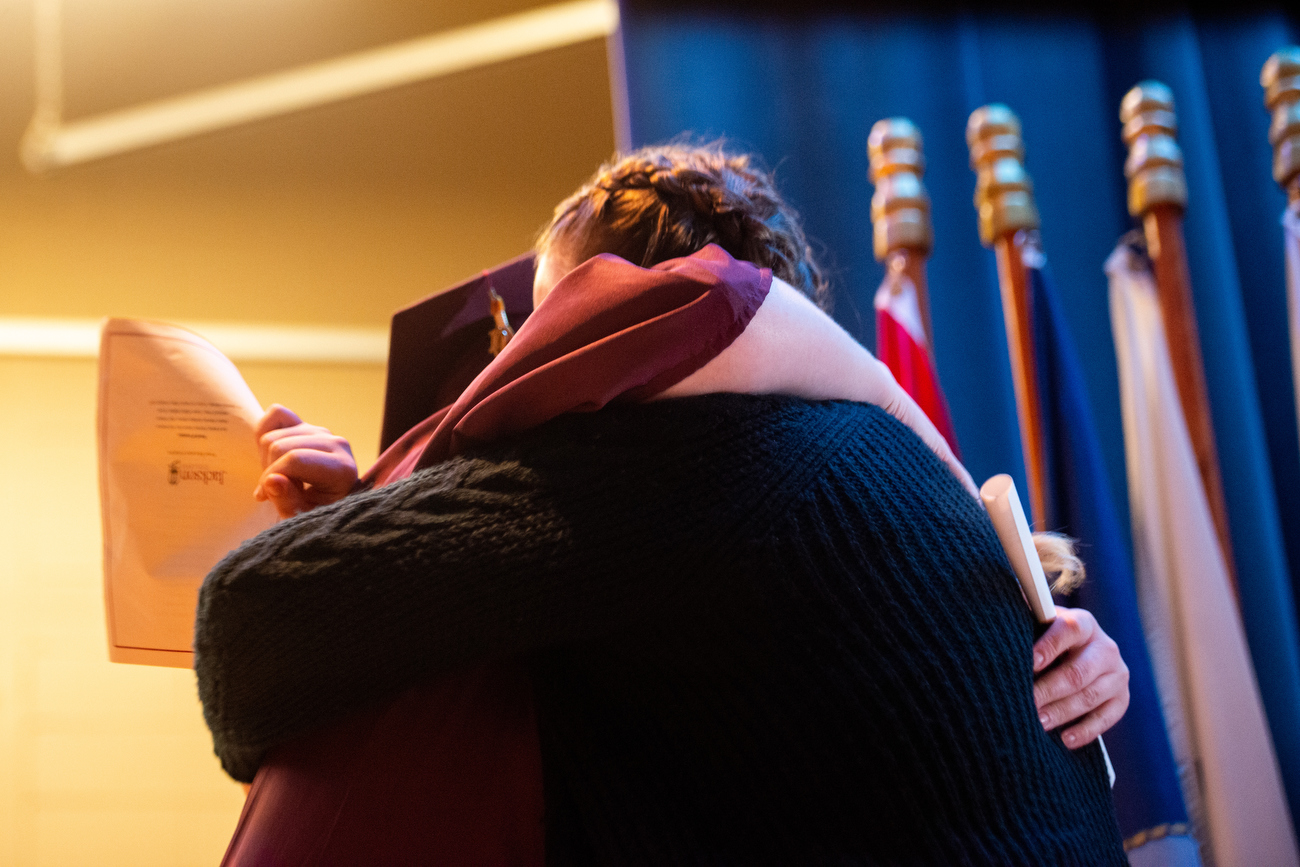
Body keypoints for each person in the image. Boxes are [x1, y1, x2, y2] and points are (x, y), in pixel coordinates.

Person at [198, 144, 1131, 864]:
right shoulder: (882, 471)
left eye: (540, 328)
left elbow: (255, 620)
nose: (513, 370)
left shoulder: (686, 455)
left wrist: (361, 515)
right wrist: (368, 507)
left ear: (605, 323)